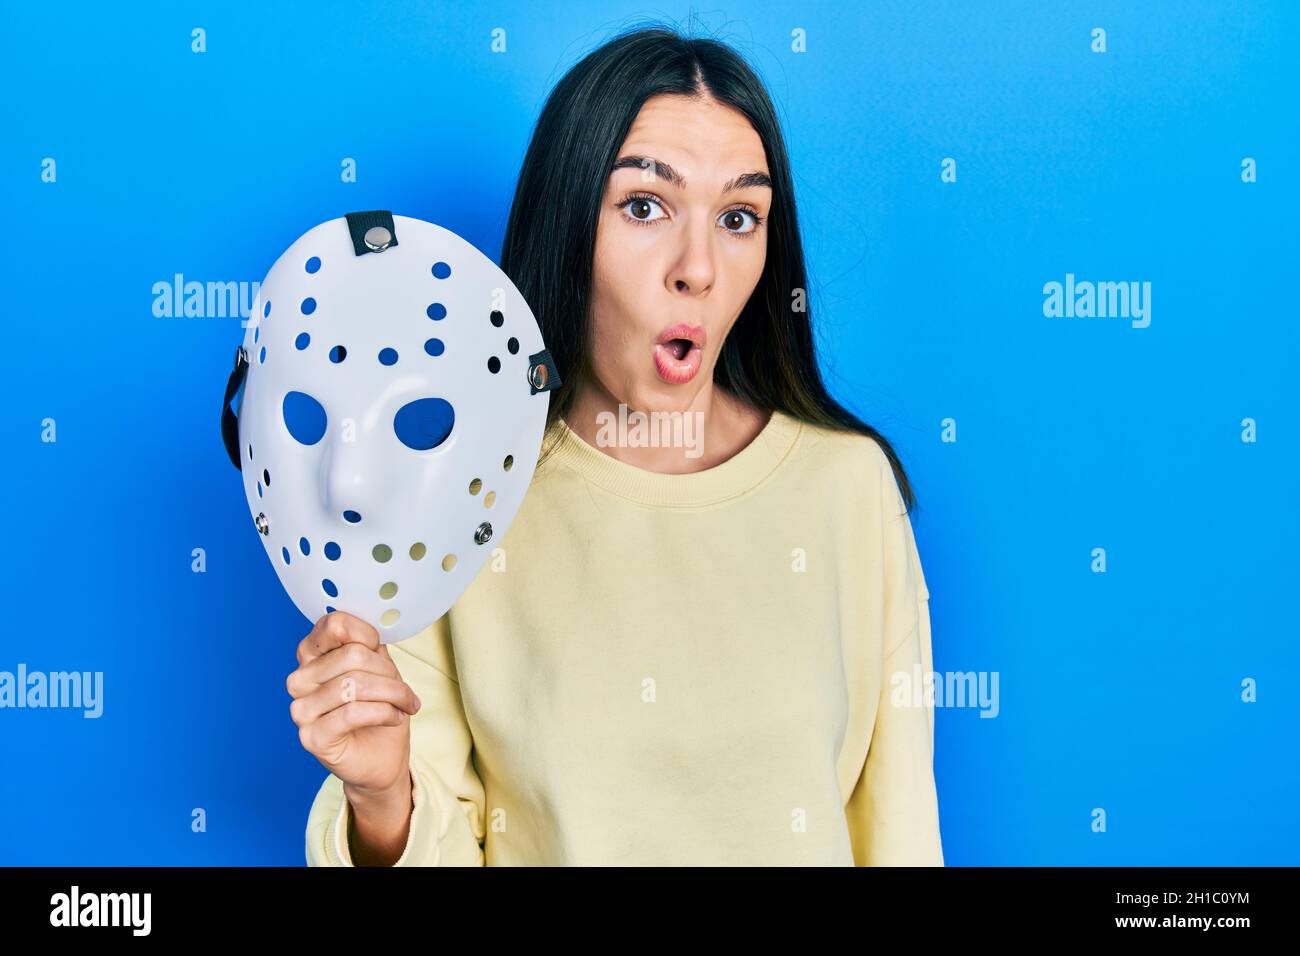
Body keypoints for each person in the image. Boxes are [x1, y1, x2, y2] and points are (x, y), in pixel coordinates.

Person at [287, 24, 942, 866]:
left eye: (740, 216)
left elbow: (901, 836)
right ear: (568, 225)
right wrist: (383, 797)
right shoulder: (455, 499)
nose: (698, 267)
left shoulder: (850, 490)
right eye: (644, 206)